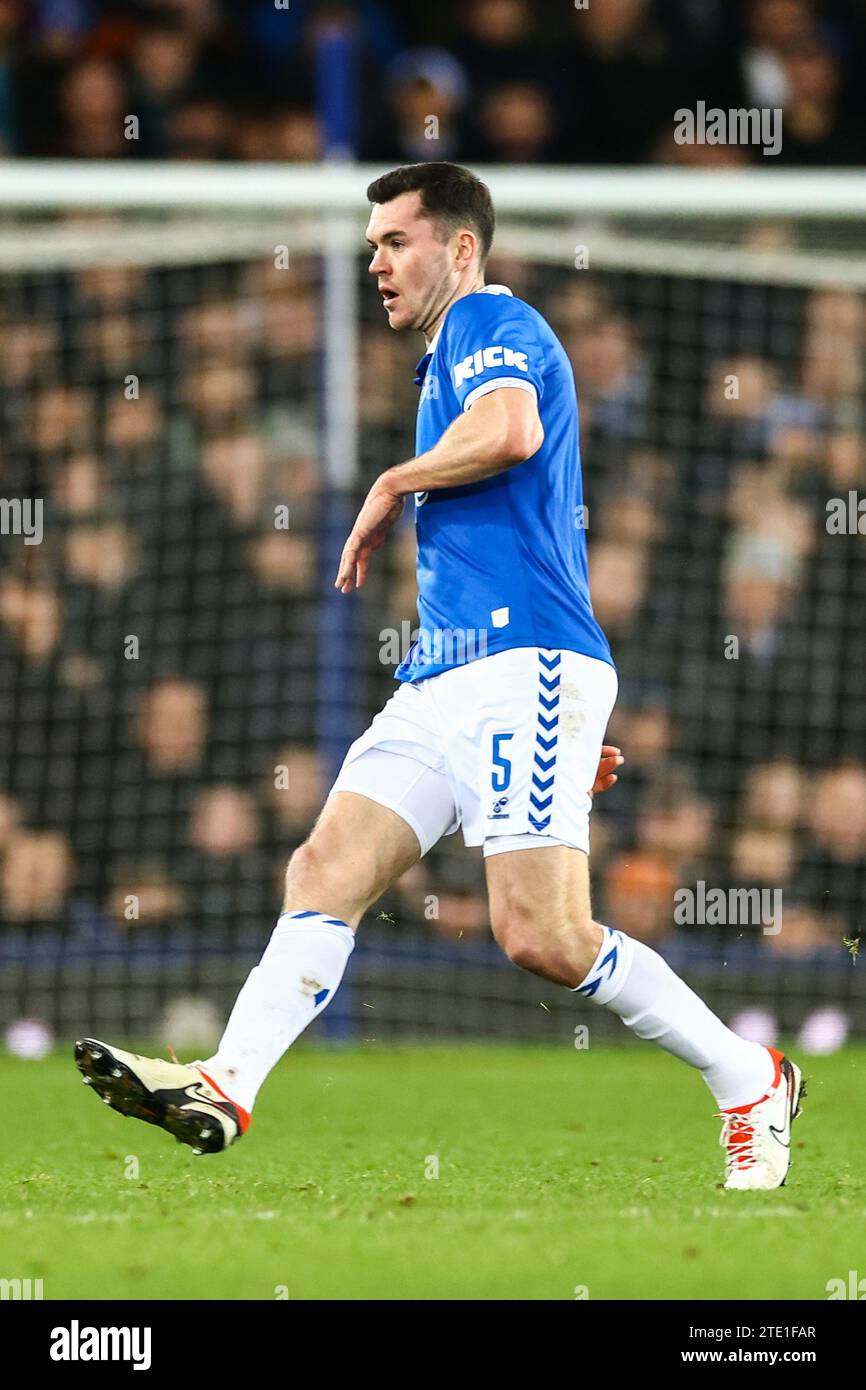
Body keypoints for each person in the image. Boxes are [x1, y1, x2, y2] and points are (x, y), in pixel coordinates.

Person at [76, 162, 803, 1190]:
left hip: (524, 659)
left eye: (393, 241)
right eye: (371, 244)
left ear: (458, 247)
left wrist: (389, 480)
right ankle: (228, 1080)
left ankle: (747, 1077)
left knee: (540, 936)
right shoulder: (443, 358)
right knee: (324, 869)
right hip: (445, 680)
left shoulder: (485, 319)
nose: (374, 260)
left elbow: (513, 431)